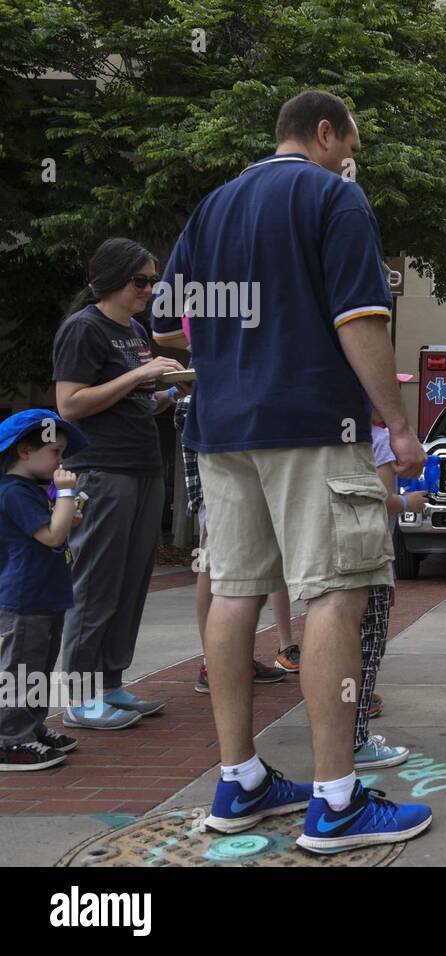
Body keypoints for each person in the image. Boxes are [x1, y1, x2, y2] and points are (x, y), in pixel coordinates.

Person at [153, 91, 431, 850]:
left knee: (236, 591)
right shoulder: (333, 198)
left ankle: (239, 780)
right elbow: (360, 320)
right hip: (313, 422)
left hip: (222, 430)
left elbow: (166, 319)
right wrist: (398, 427)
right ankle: (336, 801)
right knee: (337, 593)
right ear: (322, 132)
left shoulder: (212, 207)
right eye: (351, 143)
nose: (353, 158)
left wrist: (230, 347)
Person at [53, 238, 189, 730]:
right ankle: (79, 695)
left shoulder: (132, 329)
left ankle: (110, 682)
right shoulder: (83, 329)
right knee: (97, 582)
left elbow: (133, 401)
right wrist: (141, 375)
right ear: (112, 278)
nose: (150, 290)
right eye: (141, 281)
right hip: (102, 469)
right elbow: (69, 405)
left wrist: (171, 389)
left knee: (132, 582)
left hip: (142, 466)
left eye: (153, 281)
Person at [172, 392, 286, 693]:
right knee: (212, 570)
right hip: (217, 494)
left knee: (238, 574)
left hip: (239, 489)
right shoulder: (197, 399)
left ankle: (234, 659)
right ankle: (213, 664)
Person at [0, 411, 89, 769]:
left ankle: (31, 727)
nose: (61, 462)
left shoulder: (30, 492)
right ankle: (9, 738)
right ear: (24, 450)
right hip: (25, 598)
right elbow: (52, 535)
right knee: (20, 670)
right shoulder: (12, 492)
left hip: (45, 595)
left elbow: (56, 528)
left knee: (38, 669)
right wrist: (66, 493)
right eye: (55, 452)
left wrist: (67, 508)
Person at [352, 376, 427, 771]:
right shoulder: (379, 439)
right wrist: (411, 501)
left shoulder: (339, 434)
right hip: (373, 554)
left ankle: (345, 733)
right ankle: (356, 739)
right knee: (369, 645)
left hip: (343, 551)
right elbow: (382, 500)